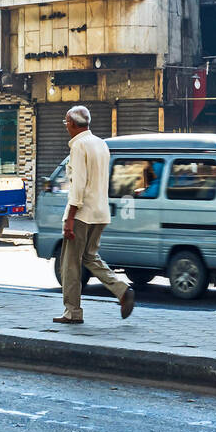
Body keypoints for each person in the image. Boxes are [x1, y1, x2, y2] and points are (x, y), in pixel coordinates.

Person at [52, 105, 135, 325]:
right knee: (89, 257)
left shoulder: (79, 146)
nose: (66, 127)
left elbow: (78, 185)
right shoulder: (101, 144)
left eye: (66, 123)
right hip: (100, 212)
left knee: (70, 263)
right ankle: (122, 290)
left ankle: (72, 312)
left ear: (72, 123)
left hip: (81, 214)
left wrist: (70, 217)